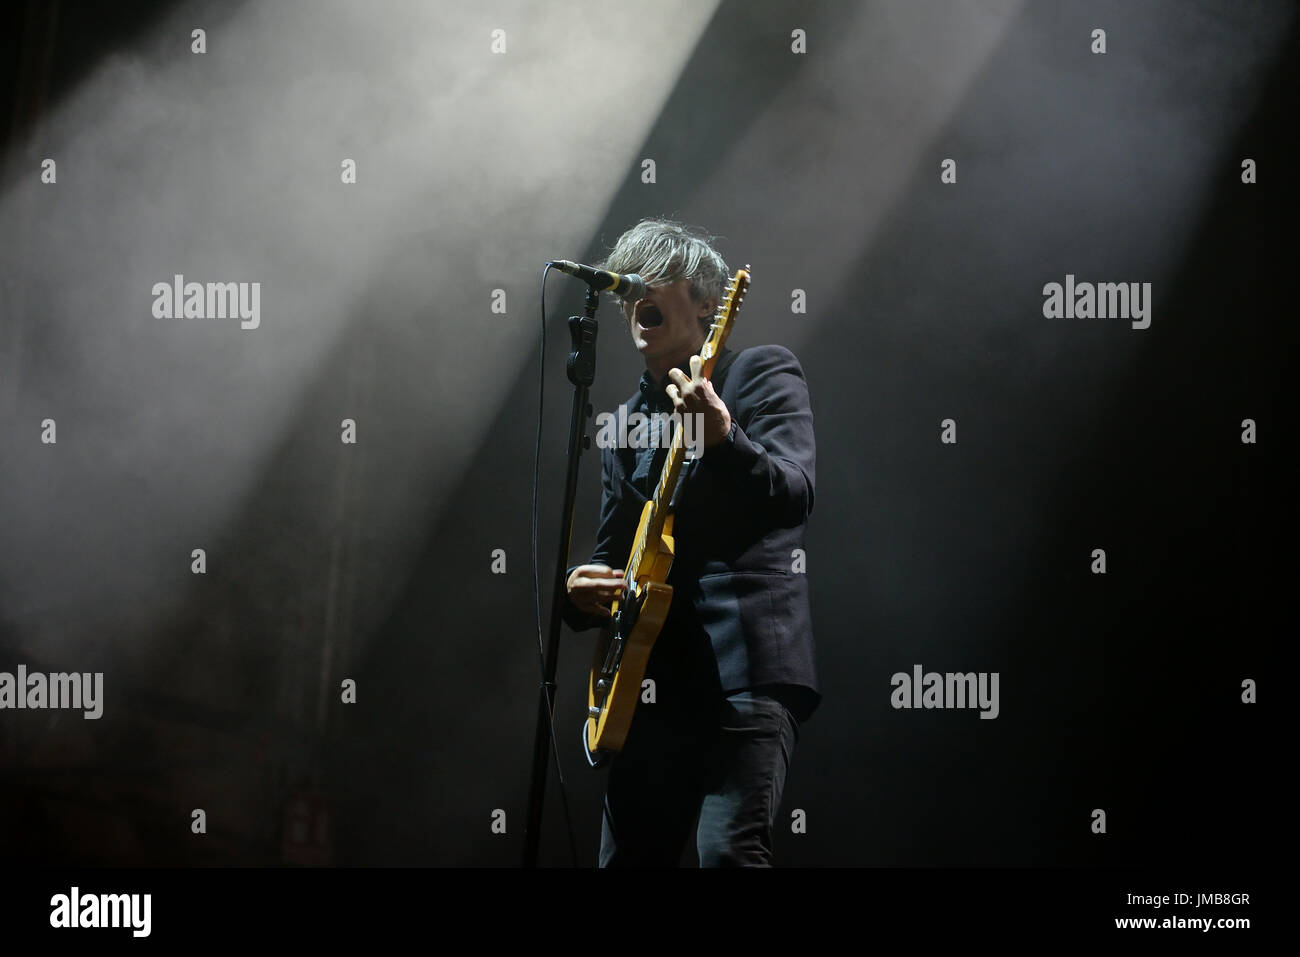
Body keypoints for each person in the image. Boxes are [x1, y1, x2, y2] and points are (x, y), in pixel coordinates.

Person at [563, 218, 819, 867]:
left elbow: (794, 492)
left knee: (728, 856)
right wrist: (581, 589)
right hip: (648, 687)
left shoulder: (759, 373)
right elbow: (614, 550)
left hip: (742, 673)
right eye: (629, 284)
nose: (635, 293)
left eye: (656, 277)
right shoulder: (621, 425)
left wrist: (725, 438)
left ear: (709, 302)